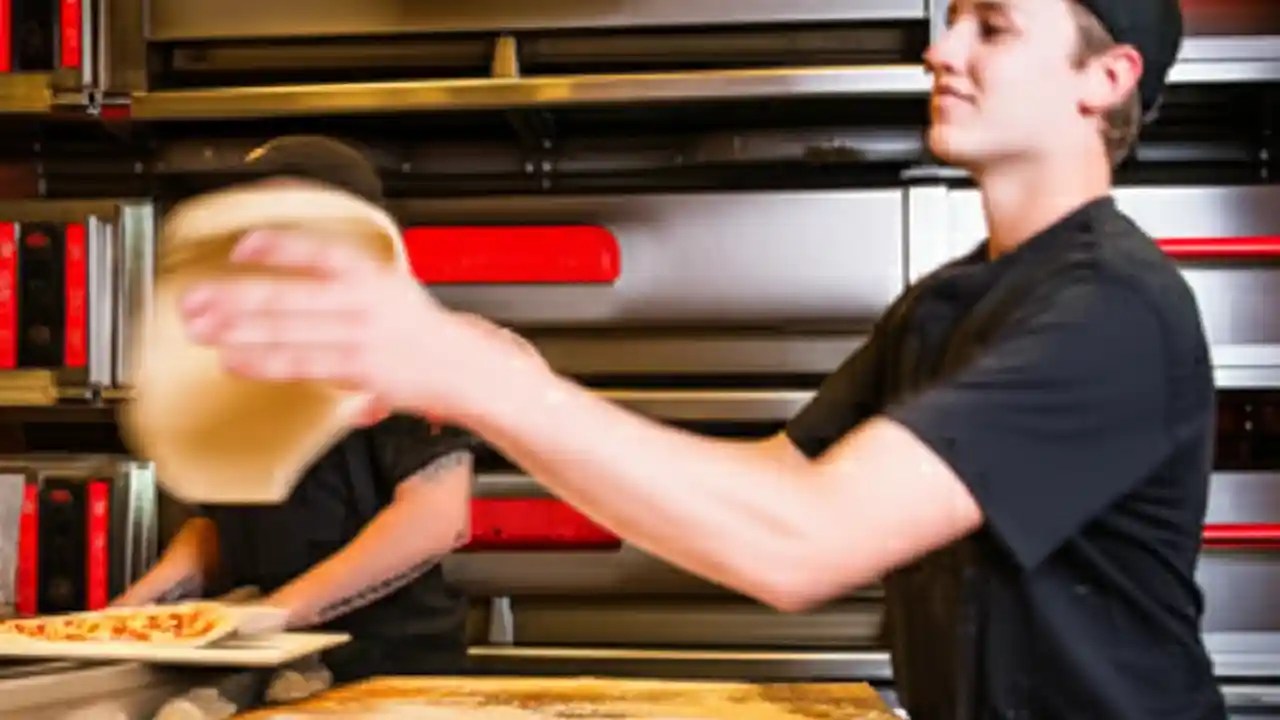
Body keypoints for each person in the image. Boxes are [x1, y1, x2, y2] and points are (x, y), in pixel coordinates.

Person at [175, 1, 1229, 718]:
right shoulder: (950, 302)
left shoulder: (1111, 309)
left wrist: (482, 380)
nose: (940, 48)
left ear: (1105, 78)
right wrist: (502, 391)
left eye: (990, 25)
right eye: (951, 17)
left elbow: (802, 543)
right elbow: (772, 481)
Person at [115, 135, 478, 684]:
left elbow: (435, 519)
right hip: (263, 665)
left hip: (391, 670)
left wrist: (277, 614)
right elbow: (220, 525)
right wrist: (133, 610)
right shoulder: (231, 357)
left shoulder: (401, 341)